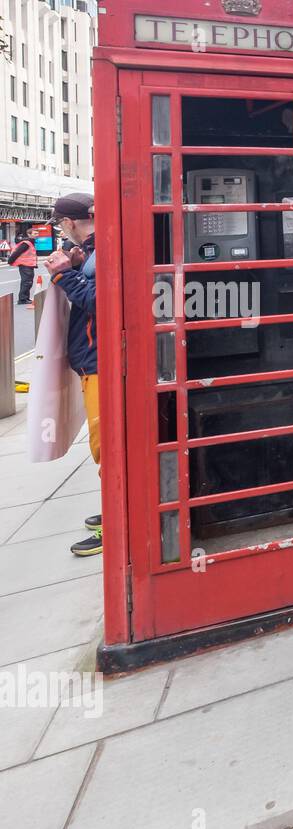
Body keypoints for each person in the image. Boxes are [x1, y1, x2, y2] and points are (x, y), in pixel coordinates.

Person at [43, 194, 103, 557]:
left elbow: (103, 300)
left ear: (69, 221)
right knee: (105, 447)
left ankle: (117, 522)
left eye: (60, 224)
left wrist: (65, 274)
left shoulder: (106, 247)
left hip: (101, 362)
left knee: (107, 448)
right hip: (93, 361)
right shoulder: (94, 249)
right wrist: (77, 266)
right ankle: (117, 508)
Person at [7, 227, 38, 307]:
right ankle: (22, 299)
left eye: (37, 233)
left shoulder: (30, 242)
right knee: (27, 282)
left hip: (29, 264)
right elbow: (17, 252)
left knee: (28, 282)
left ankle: (25, 298)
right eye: (35, 233)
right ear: (29, 234)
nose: (37, 235)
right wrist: (10, 260)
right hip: (25, 264)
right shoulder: (26, 243)